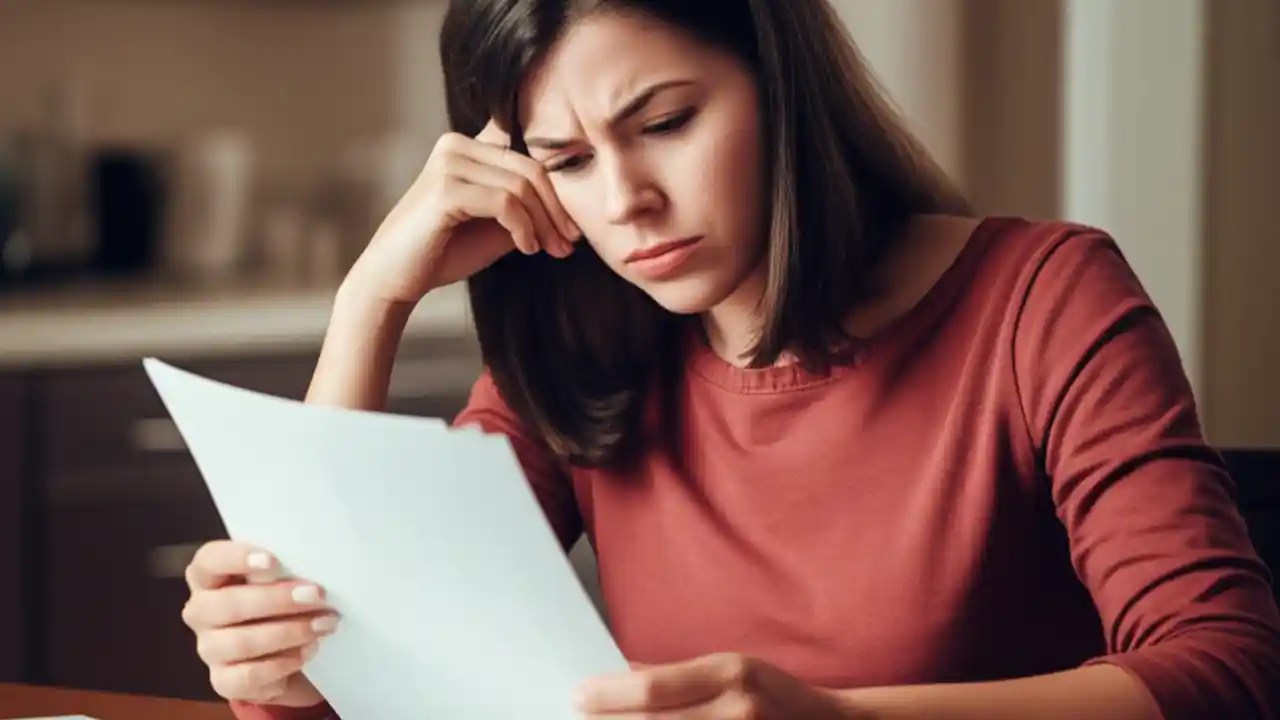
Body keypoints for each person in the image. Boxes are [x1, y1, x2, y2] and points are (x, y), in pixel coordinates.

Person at [178, 1, 1280, 718]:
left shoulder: (1042, 298)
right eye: (564, 160)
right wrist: (374, 294)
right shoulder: (580, 345)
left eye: (663, 122)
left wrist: (834, 718)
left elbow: (1220, 669)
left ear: (779, 89)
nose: (624, 201)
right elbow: (348, 676)